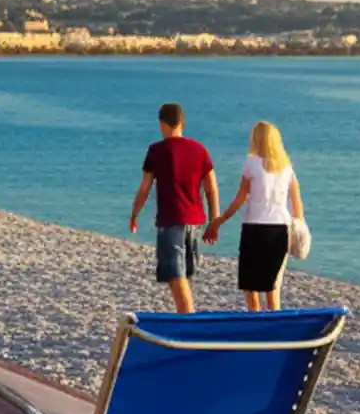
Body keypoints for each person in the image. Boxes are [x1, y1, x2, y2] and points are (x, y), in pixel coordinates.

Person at [129, 103, 219, 315]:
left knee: (175, 276)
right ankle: (186, 318)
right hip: (195, 221)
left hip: (171, 219)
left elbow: (145, 188)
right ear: (182, 123)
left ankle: (188, 322)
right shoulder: (200, 149)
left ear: (162, 124)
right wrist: (214, 221)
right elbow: (212, 189)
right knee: (184, 275)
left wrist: (134, 213)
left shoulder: (157, 150)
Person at [205, 122, 304, 312]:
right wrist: (298, 226)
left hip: (254, 227)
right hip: (280, 228)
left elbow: (240, 198)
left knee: (250, 283)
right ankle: (274, 324)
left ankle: (255, 318)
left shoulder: (251, 162)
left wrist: (219, 221)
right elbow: (297, 203)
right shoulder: (286, 167)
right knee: (272, 285)